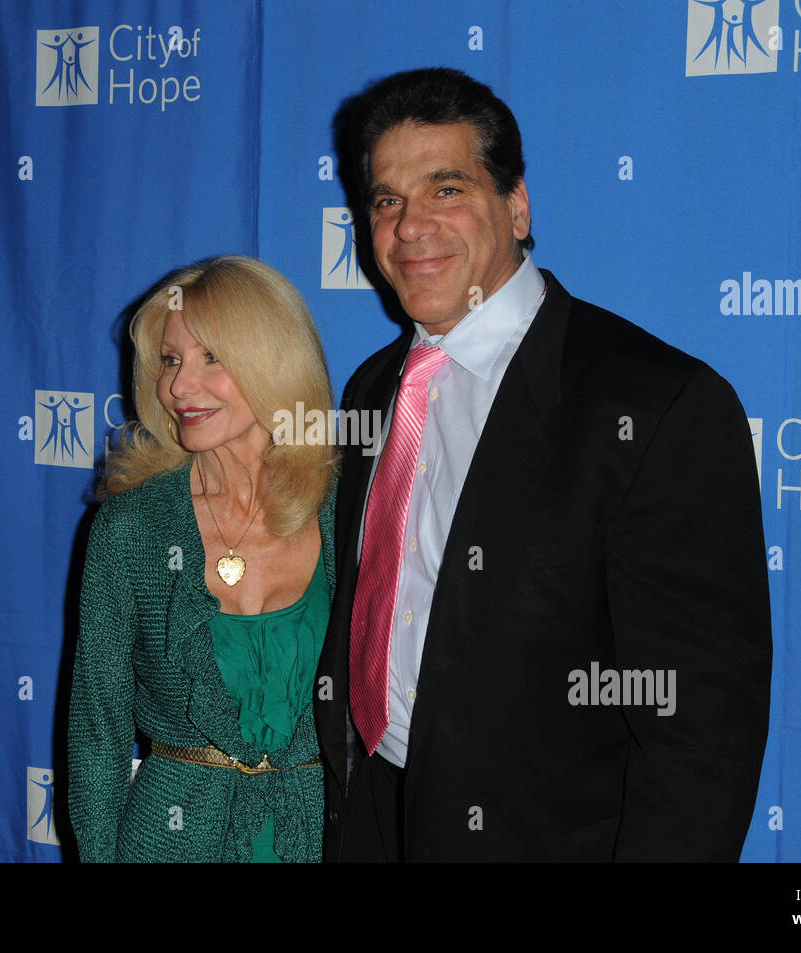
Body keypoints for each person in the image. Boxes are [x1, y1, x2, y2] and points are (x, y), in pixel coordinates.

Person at [314, 68, 772, 861]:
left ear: (517, 205)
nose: (410, 226)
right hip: (374, 823)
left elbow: (701, 739)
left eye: (446, 188)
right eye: (387, 200)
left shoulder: (659, 405)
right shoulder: (373, 387)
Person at [69, 256, 338, 862]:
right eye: (170, 360)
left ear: (274, 362)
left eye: (211, 357)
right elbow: (98, 729)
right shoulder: (130, 529)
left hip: (319, 836)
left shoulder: (348, 510)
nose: (179, 387)